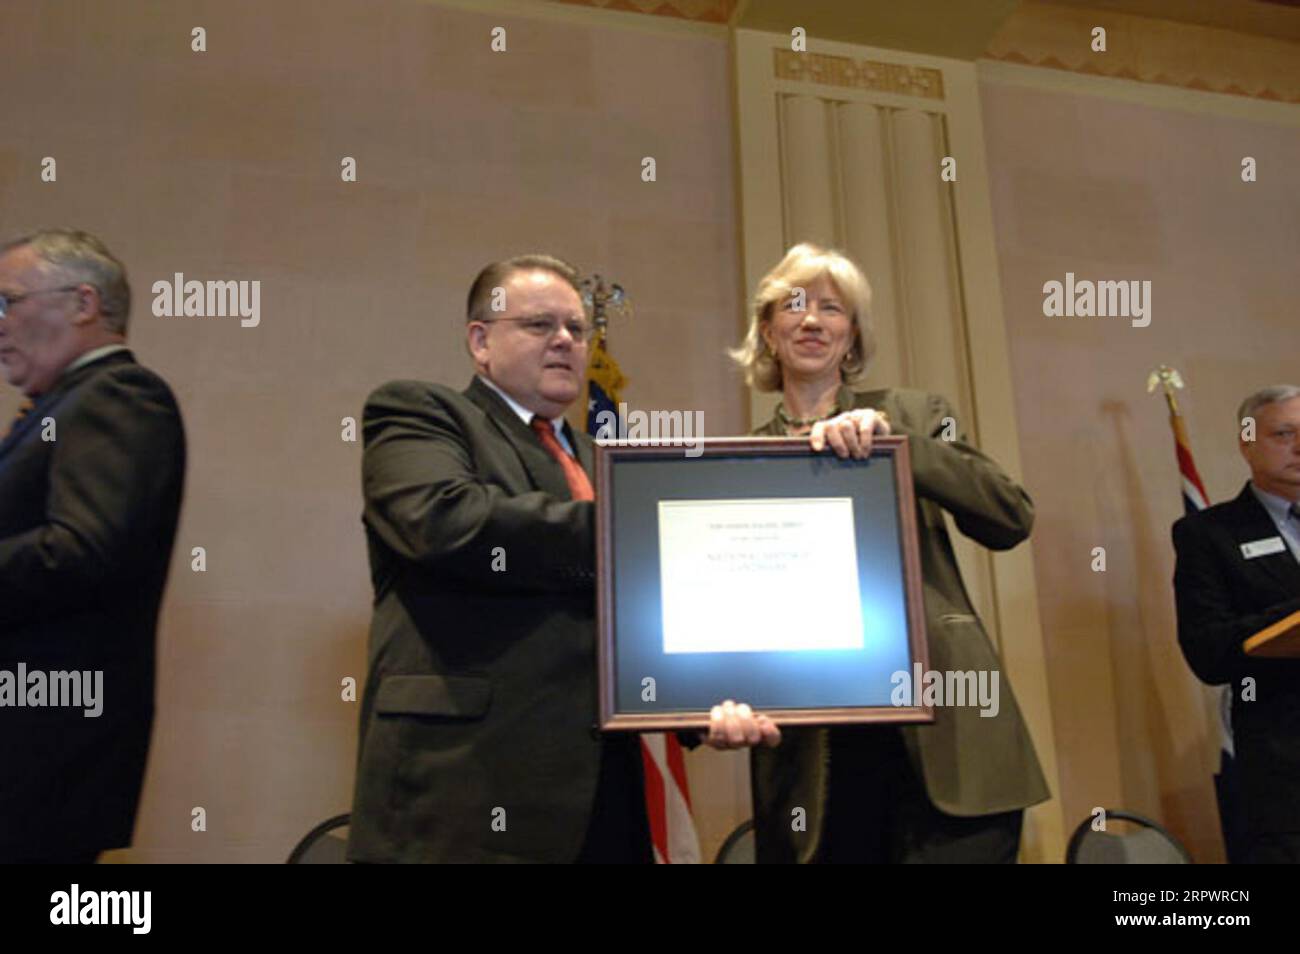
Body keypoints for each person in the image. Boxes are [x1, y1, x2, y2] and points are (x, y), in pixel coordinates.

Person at [347, 254, 776, 864]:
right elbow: (447, 522)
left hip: (610, 795)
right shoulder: (419, 413)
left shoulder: (609, 463)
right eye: (539, 324)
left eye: (577, 328)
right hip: (465, 794)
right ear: (480, 340)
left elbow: (641, 605)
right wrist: (652, 526)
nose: (566, 341)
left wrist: (699, 705)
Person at [730, 242, 1049, 863]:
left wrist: (897, 444)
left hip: (947, 731)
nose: (813, 320)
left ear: (852, 339)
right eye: (794, 306)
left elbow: (1010, 516)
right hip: (814, 754)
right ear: (769, 331)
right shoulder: (742, 456)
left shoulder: (913, 413)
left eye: (833, 309)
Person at [0, 229, 187, 864]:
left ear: (83, 303)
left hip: (38, 747)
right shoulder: (60, 405)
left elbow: (81, 551)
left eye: (8, 302)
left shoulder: (118, 396)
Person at [1173, 384, 1300, 863]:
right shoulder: (1209, 534)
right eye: (1284, 434)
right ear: (1247, 444)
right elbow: (1207, 651)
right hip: (1285, 774)